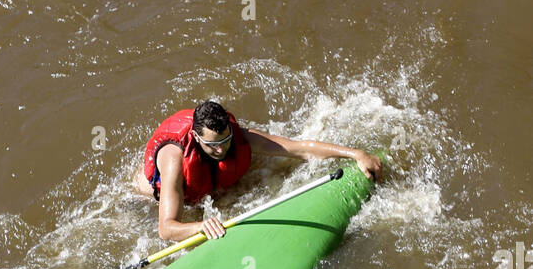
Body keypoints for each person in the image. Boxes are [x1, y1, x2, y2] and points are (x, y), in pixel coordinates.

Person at [133, 99, 383, 241]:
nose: (221, 149)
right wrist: (199, 226)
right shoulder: (174, 159)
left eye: (225, 141)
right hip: (147, 195)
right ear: (197, 138)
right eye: (213, 145)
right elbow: (166, 228)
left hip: (208, 182)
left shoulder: (237, 136)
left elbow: (298, 149)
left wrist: (356, 154)